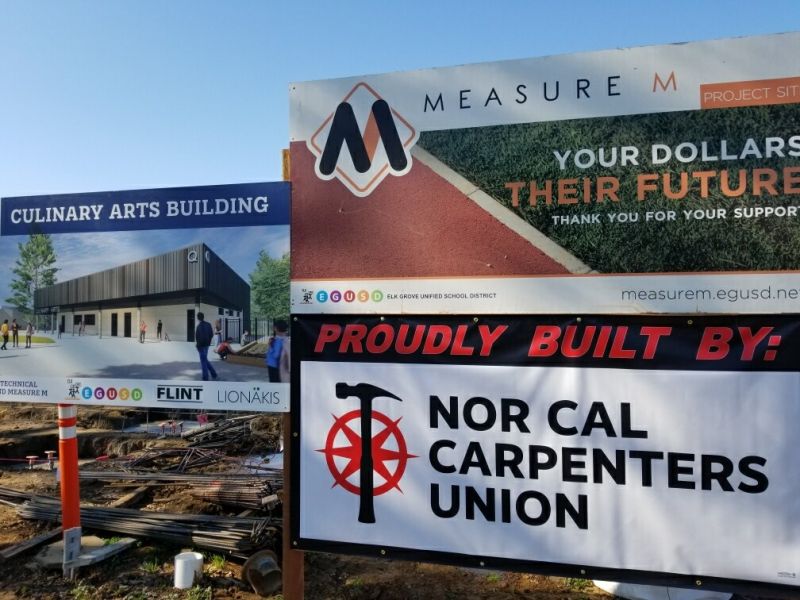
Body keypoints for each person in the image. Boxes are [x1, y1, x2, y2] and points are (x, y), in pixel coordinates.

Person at [195, 312, 218, 381]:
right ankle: (214, 374)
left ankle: (205, 377)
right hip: (207, 345)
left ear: (198, 318)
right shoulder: (208, 324)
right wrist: (208, 342)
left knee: (203, 361)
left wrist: (197, 346)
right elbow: (211, 334)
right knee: (205, 360)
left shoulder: (198, 326)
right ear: (203, 317)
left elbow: (197, 337)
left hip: (201, 346)